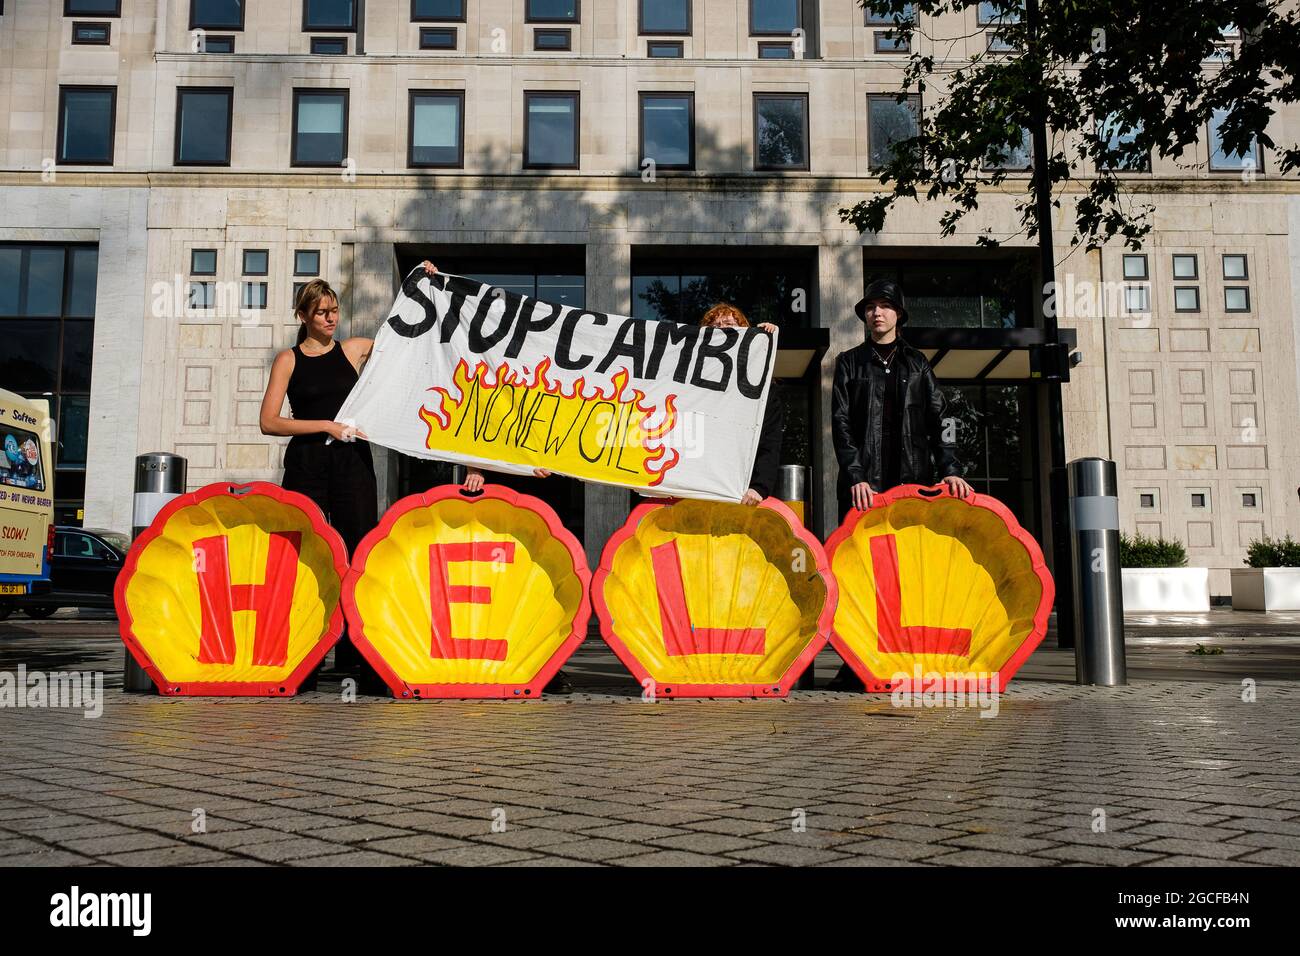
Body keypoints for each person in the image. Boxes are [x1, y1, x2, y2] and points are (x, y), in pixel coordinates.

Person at [827, 278, 974, 690]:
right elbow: (840, 424)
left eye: (885, 307)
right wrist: (855, 475)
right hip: (864, 489)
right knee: (859, 577)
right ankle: (854, 661)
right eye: (871, 307)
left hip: (911, 487)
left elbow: (940, 419)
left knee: (904, 577)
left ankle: (901, 654)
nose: (877, 313)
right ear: (864, 316)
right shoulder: (850, 363)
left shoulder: (918, 364)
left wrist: (951, 468)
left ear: (898, 315)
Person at [260, 278, 382, 687]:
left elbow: (407, 335)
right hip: (307, 463)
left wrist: (424, 279)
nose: (331, 318)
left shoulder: (355, 349)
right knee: (308, 556)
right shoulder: (288, 359)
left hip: (352, 463)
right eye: (321, 312)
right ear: (303, 316)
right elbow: (269, 421)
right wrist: (326, 425)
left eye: (334, 310)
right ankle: (307, 651)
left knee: (358, 552)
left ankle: (357, 654)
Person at [699, 303, 784, 505]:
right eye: (715, 327)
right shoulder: (693, 385)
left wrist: (759, 485)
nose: (722, 330)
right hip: (700, 489)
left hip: (742, 492)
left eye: (729, 324)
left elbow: (770, 441)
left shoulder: (763, 389)